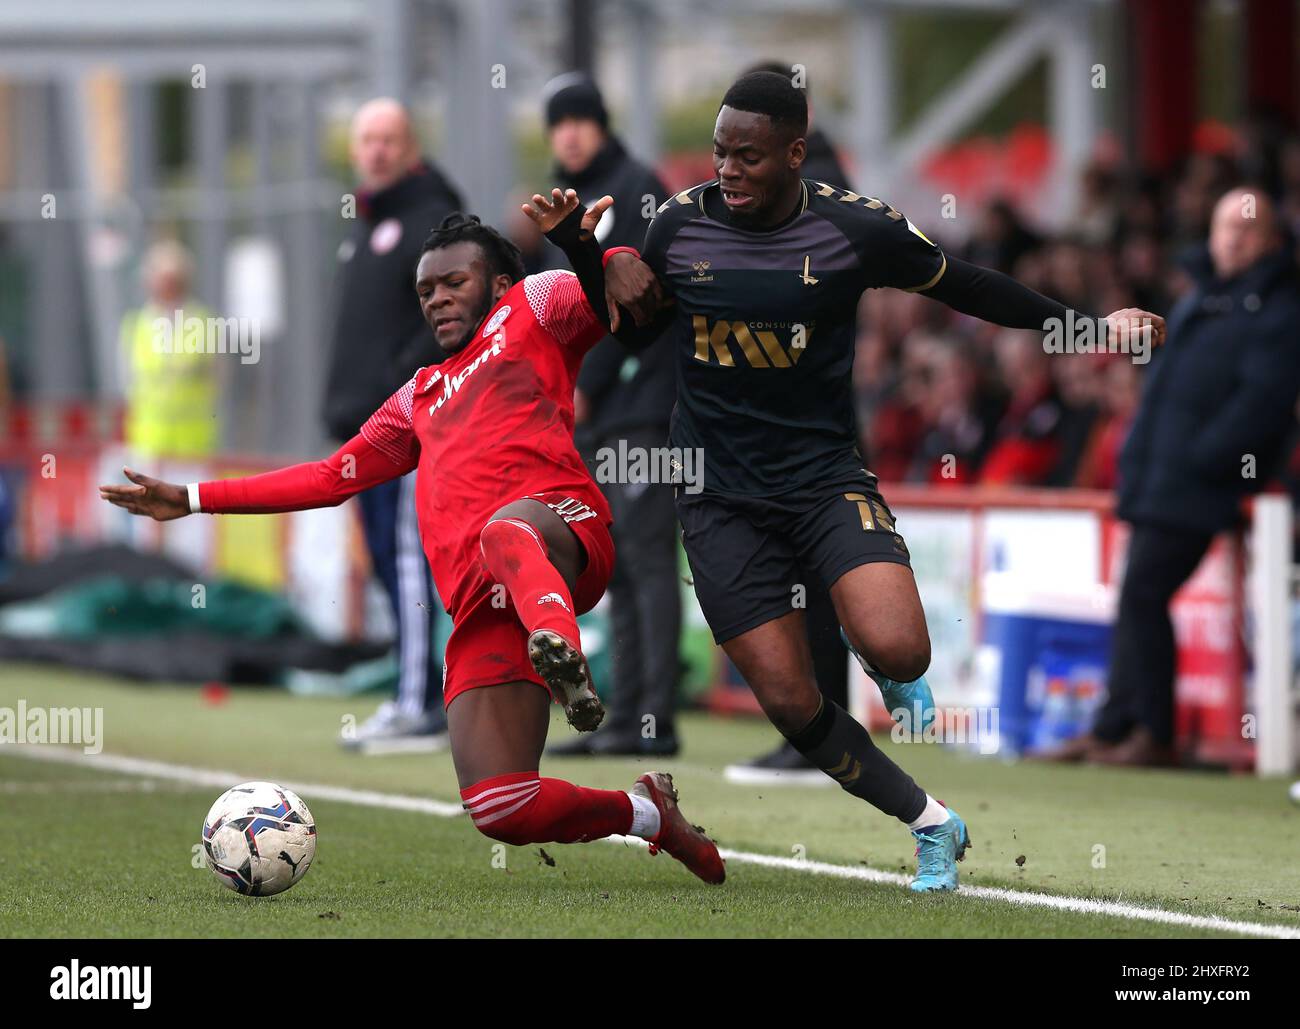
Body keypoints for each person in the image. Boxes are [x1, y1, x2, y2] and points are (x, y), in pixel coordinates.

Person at [581, 71, 1163, 890]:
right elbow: (624, 321)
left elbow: (970, 287)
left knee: (902, 644)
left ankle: (884, 663)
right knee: (792, 701)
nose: (727, 171)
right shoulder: (679, 226)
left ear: (795, 153)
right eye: (718, 153)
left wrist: (1089, 326)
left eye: (747, 156)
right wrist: (592, 254)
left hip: (822, 475)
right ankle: (931, 823)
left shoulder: (855, 230)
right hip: (716, 494)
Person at [100, 204, 725, 886]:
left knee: (503, 532)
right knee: (500, 805)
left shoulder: (532, 305)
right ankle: (648, 813)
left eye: (454, 281)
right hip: (486, 607)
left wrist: (589, 248)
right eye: (427, 291)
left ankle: (561, 650)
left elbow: (611, 298)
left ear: (496, 282)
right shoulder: (416, 397)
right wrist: (191, 499)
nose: (438, 298)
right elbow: (328, 476)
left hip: (560, 533)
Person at [1036, 186, 1300, 767]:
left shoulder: (1277, 311)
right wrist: (1139, 459)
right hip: (1159, 480)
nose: (1232, 239)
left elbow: (1262, 404)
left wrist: (1205, 460)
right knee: (1136, 597)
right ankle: (1114, 728)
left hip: (1199, 485)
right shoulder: (1200, 298)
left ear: (1272, 239)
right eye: (1224, 226)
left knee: (1145, 594)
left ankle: (1152, 733)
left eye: (1246, 229)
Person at [539, 74, 682, 757]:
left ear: (600, 124)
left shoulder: (632, 186)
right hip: (601, 411)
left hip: (644, 406)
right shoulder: (562, 203)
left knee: (649, 559)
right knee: (620, 561)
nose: (568, 133)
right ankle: (629, 717)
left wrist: (587, 380)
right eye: (557, 122)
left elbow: (635, 302)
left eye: (579, 120)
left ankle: (658, 719)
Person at [724, 60, 856, 785]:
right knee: (795, 586)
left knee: (811, 583)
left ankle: (823, 728)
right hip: (770, 427)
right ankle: (811, 730)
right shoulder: (737, 196)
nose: (733, 167)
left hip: (806, 430)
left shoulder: (818, 197)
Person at [322, 98, 462, 754]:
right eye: (367, 138)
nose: (376, 150)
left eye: (388, 139)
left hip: (409, 430)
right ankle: (419, 693)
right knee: (386, 560)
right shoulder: (367, 222)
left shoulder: (432, 219)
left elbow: (451, 320)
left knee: (410, 563)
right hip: (364, 432)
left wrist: (402, 391)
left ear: (411, 147)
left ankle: (420, 703)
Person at [120, 240, 220, 462]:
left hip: (192, 443)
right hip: (148, 441)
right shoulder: (137, 323)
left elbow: (214, 375)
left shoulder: (202, 321)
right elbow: (128, 381)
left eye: (171, 279)